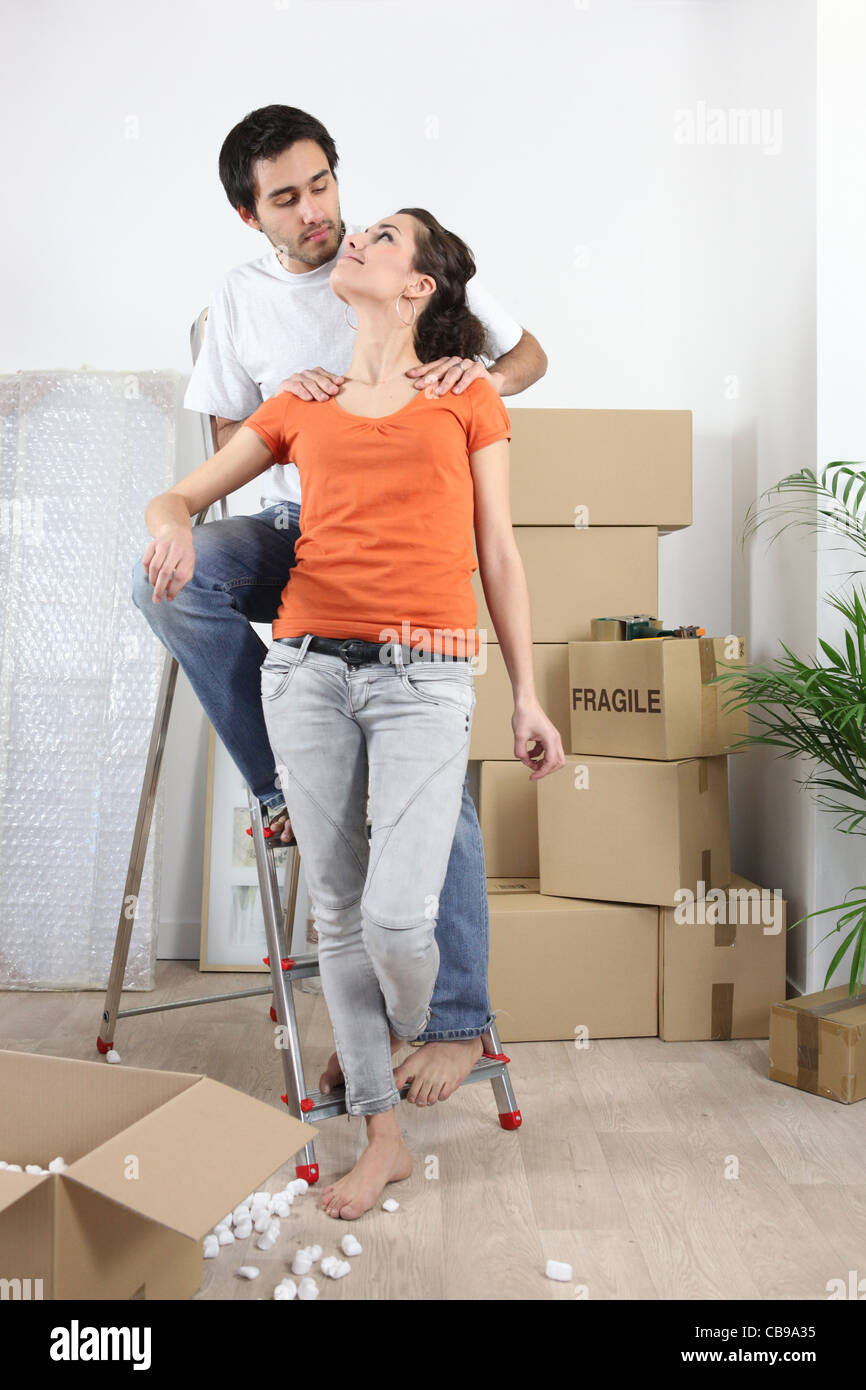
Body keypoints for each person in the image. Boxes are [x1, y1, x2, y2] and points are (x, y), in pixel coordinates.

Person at [141, 206, 565, 1219]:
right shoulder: (302, 398)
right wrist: (165, 525)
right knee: (337, 912)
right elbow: (184, 495)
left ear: (418, 287)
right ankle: (380, 1136)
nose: (355, 238)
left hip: (426, 678)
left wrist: (528, 695)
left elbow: (498, 555)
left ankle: (407, 1024)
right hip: (305, 676)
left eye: (382, 237)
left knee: (389, 919)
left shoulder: (464, 401)